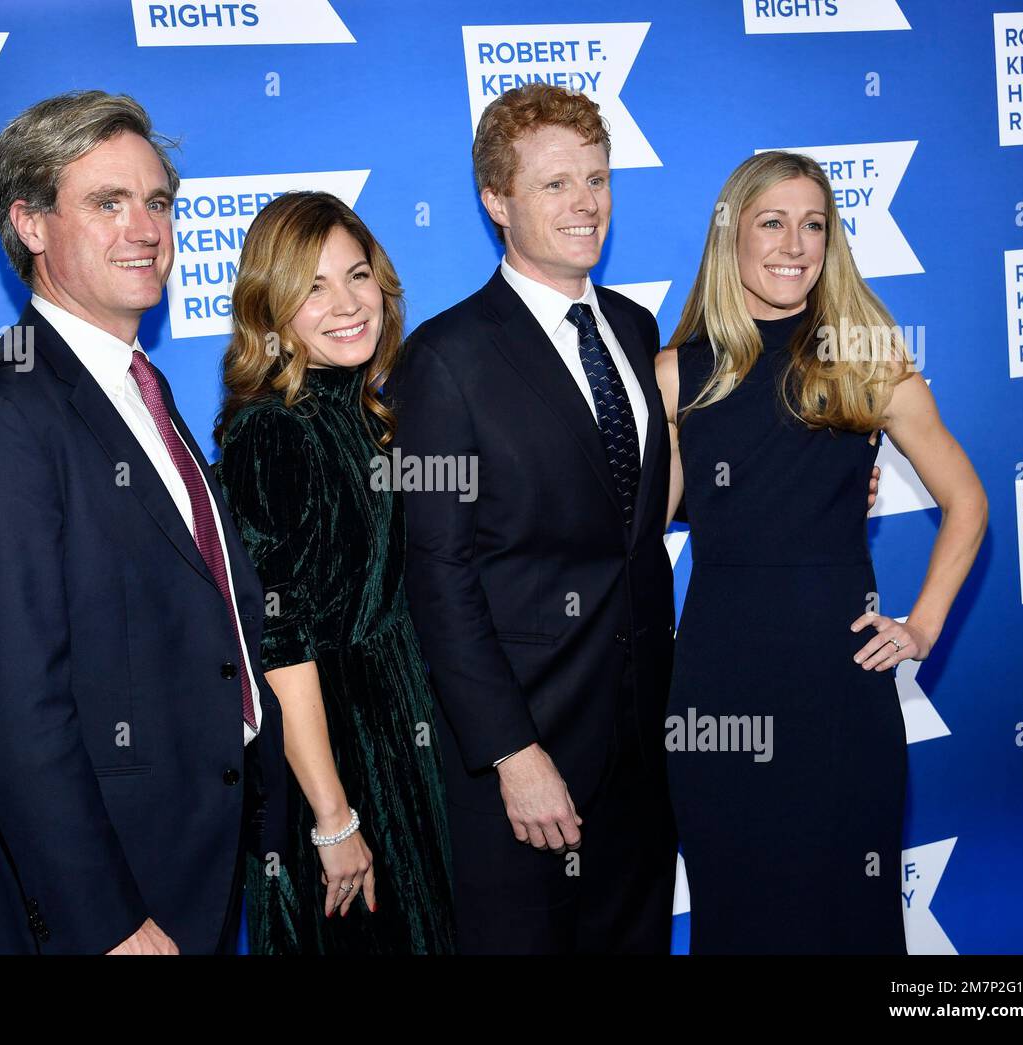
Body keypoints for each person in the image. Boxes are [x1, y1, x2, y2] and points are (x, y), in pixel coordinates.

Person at [0, 90, 287, 955]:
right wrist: (108, 922)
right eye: (106, 203)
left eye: (157, 201)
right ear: (31, 225)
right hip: (106, 906)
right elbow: (13, 709)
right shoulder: (1, 411)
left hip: (196, 861)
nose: (147, 228)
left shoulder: (139, 389)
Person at [656, 150, 988, 954]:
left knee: (851, 916)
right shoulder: (676, 374)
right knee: (736, 917)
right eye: (772, 222)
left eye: (814, 225)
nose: (795, 244)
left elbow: (968, 499)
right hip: (717, 690)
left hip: (839, 693)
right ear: (731, 232)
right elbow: (647, 519)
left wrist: (923, 626)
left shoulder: (866, 361)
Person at [383, 83, 677, 954]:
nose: (585, 203)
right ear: (497, 201)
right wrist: (513, 753)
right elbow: (438, 574)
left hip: (643, 742)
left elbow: (624, 500)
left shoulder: (631, 325)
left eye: (596, 178)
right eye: (555, 184)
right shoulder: (446, 358)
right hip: (527, 760)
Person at [213, 191, 455, 954]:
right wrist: (333, 815)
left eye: (357, 276)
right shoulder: (272, 433)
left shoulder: (368, 415)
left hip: (401, 734)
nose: (347, 304)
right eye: (312, 287)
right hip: (337, 757)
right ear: (270, 309)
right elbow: (281, 646)